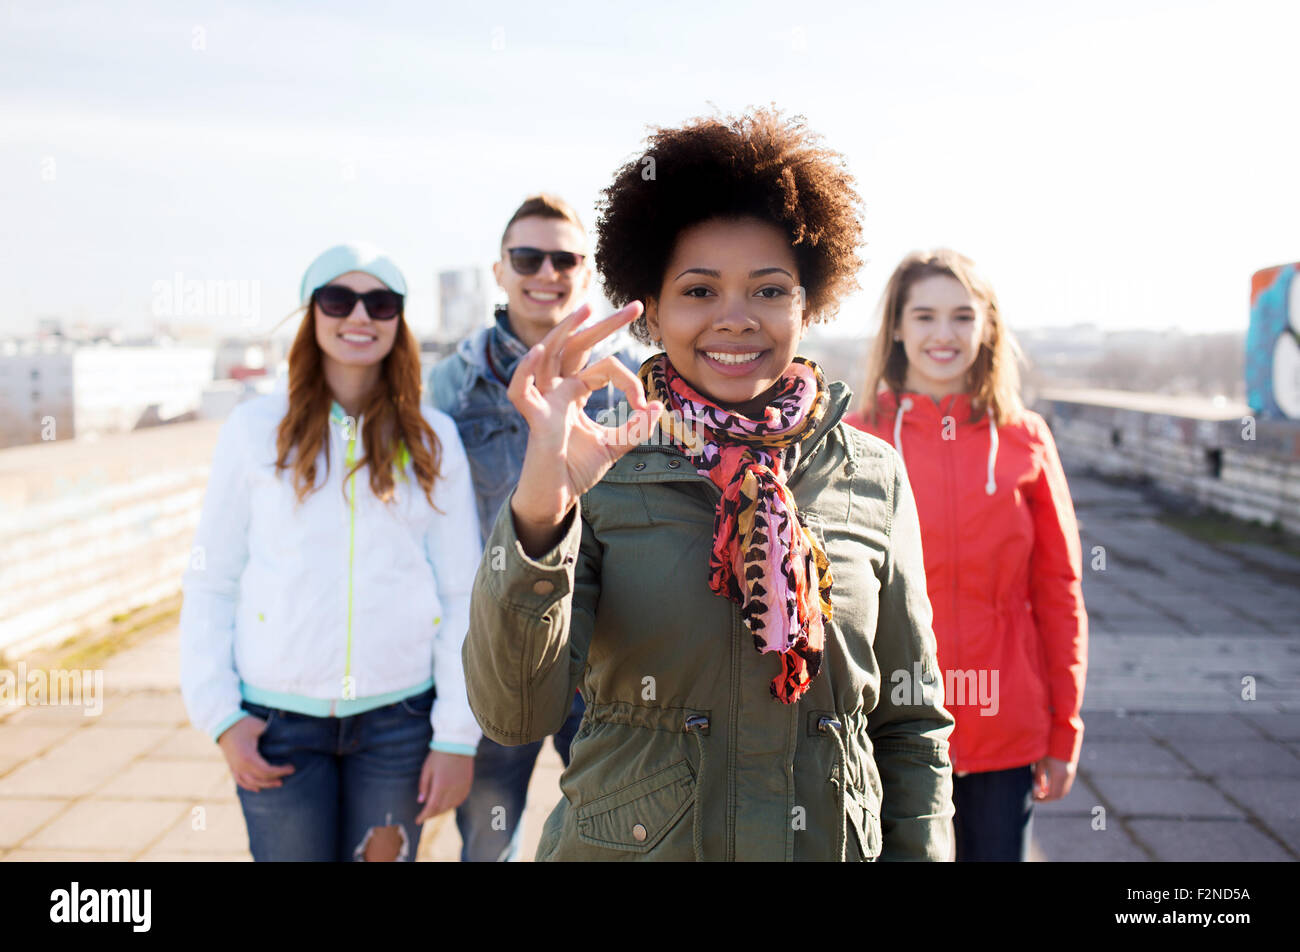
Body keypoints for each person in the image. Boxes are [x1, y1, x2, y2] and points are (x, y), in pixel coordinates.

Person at [461, 109, 955, 861]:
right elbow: (514, 713)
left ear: (806, 304)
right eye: (698, 291)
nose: (735, 319)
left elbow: (911, 723)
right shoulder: (602, 467)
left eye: (767, 291)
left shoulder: (872, 474)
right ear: (651, 311)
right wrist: (542, 511)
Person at [180, 243, 482, 861]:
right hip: (276, 723)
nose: (359, 316)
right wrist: (220, 715)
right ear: (311, 314)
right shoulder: (254, 430)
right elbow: (211, 580)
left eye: (381, 302)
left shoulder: (432, 438)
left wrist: (457, 737)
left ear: (399, 320)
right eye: (338, 300)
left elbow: (462, 592)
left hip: (399, 720)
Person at [844, 249, 1088, 861]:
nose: (944, 335)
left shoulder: (1026, 439)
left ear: (987, 327)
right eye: (924, 316)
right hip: (885, 728)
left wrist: (1065, 729)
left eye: (962, 316)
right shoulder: (855, 440)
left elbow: (1059, 591)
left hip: (1003, 728)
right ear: (898, 327)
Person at [428, 194, 642, 862]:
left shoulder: (627, 379)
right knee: (489, 845)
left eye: (565, 258)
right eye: (528, 256)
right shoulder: (453, 383)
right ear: (499, 271)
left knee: (623, 840)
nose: (546, 271)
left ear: (586, 274)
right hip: (501, 640)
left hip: (606, 652)